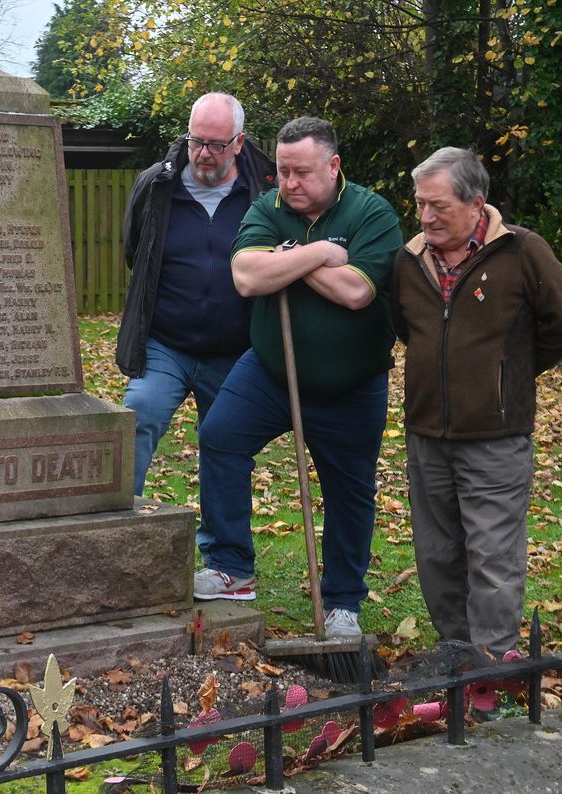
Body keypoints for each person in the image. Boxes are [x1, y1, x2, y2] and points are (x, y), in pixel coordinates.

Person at [193, 117, 401, 636]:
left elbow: (357, 291)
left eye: (301, 173)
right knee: (219, 437)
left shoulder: (372, 212)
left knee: (350, 490)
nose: (288, 184)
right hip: (270, 371)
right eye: (283, 172)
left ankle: (343, 604)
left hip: (352, 384)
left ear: (333, 167)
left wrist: (284, 260)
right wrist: (321, 254)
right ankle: (232, 567)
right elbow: (245, 276)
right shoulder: (268, 209)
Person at [392, 146, 562, 658]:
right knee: (436, 554)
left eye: (440, 206)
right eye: (421, 204)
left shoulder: (523, 252)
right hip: (427, 434)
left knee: (493, 556)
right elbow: (409, 329)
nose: (427, 216)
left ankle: (492, 664)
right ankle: (456, 652)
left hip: (496, 439)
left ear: (476, 204)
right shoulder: (408, 262)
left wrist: (506, 376)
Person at [116, 92, 275, 496]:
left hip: (233, 350)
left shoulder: (264, 190)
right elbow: (137, 252)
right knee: (137, 415)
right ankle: (115, 527)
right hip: (165, 344)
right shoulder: (156, 185)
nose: (203, 153)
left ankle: (225, 557)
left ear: (239, 142)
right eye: (196, 140)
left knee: (225, 441)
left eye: (216, 145)